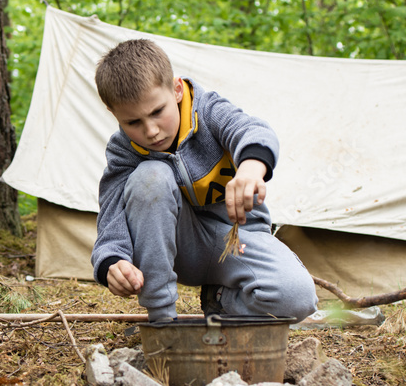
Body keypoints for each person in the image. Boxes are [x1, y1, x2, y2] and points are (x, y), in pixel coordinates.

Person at [90, 39, 318, 323]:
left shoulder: (208, 111)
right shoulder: (123, 150)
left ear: (176, 90)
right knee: (151, 176)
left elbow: (251, 130)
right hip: (179, 249)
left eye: (157, 112)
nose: (151, 131)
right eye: (133, 123)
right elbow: (111, 219)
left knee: (298, 298)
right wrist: (112, 262)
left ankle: (220, 299)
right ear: (114, 115)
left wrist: (250, 169)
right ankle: (162, 321)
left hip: (239, 242)